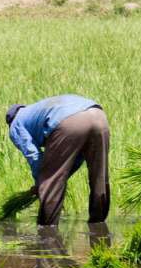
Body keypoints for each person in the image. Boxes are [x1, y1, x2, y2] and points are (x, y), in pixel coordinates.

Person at [6, 95, 110, 226]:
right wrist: (59, 176)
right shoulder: (35, 110)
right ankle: (99, 226)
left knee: (50, 186)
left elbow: (34, 155)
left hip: (69, 122)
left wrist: (42, 182)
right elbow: (75, 158)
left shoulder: (16, 124)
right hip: (99, 116)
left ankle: (47, 232)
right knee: (99, 177)